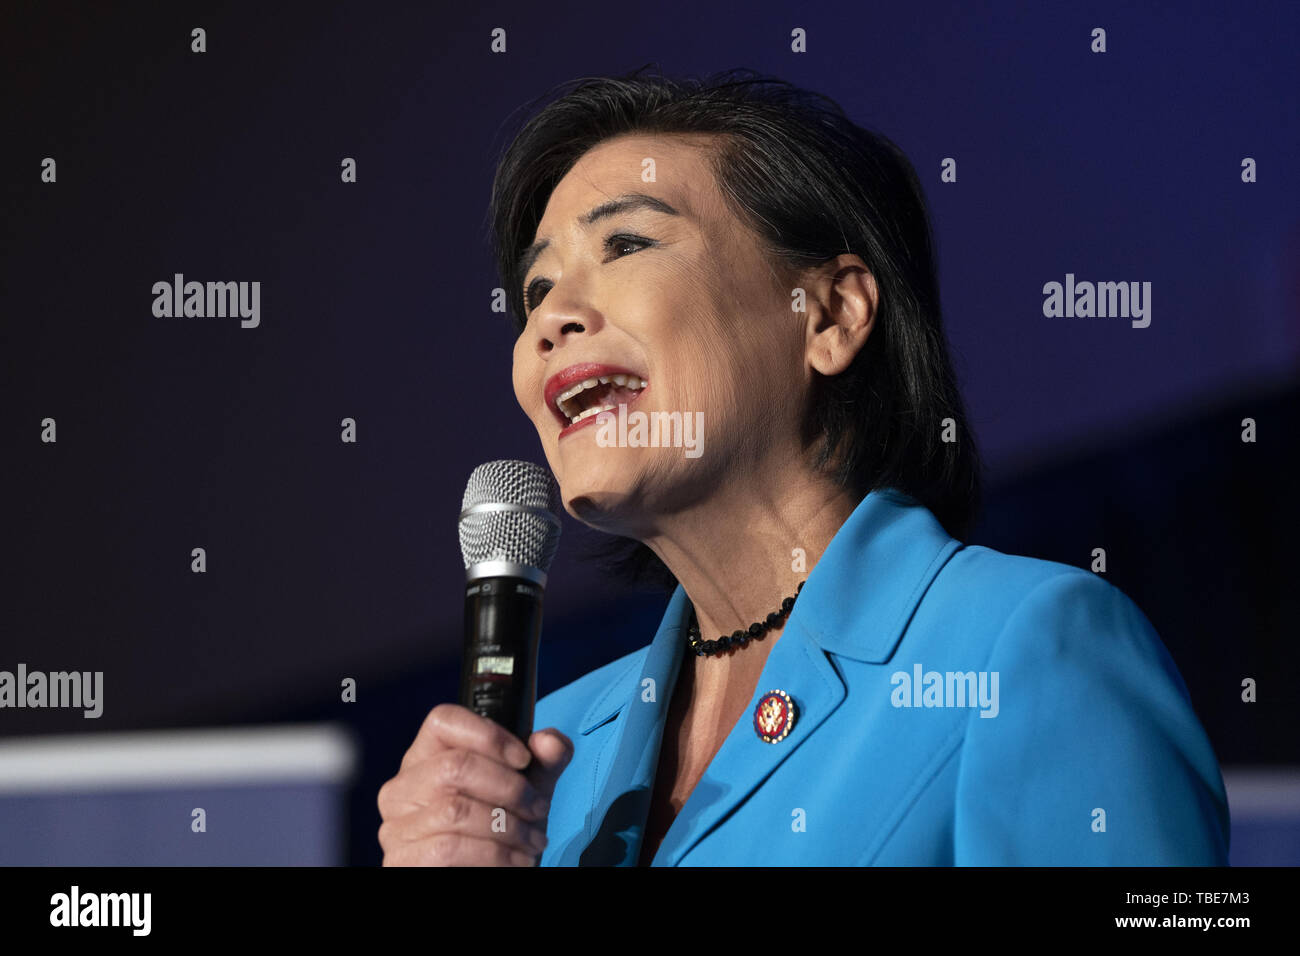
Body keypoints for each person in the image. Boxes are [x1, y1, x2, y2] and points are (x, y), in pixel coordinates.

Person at [377, 68, 1229, 866]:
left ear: (829, 313)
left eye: (627, 243)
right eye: (534, 291)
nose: (549, 319)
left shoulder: (1025, 649)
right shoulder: (538, 764)